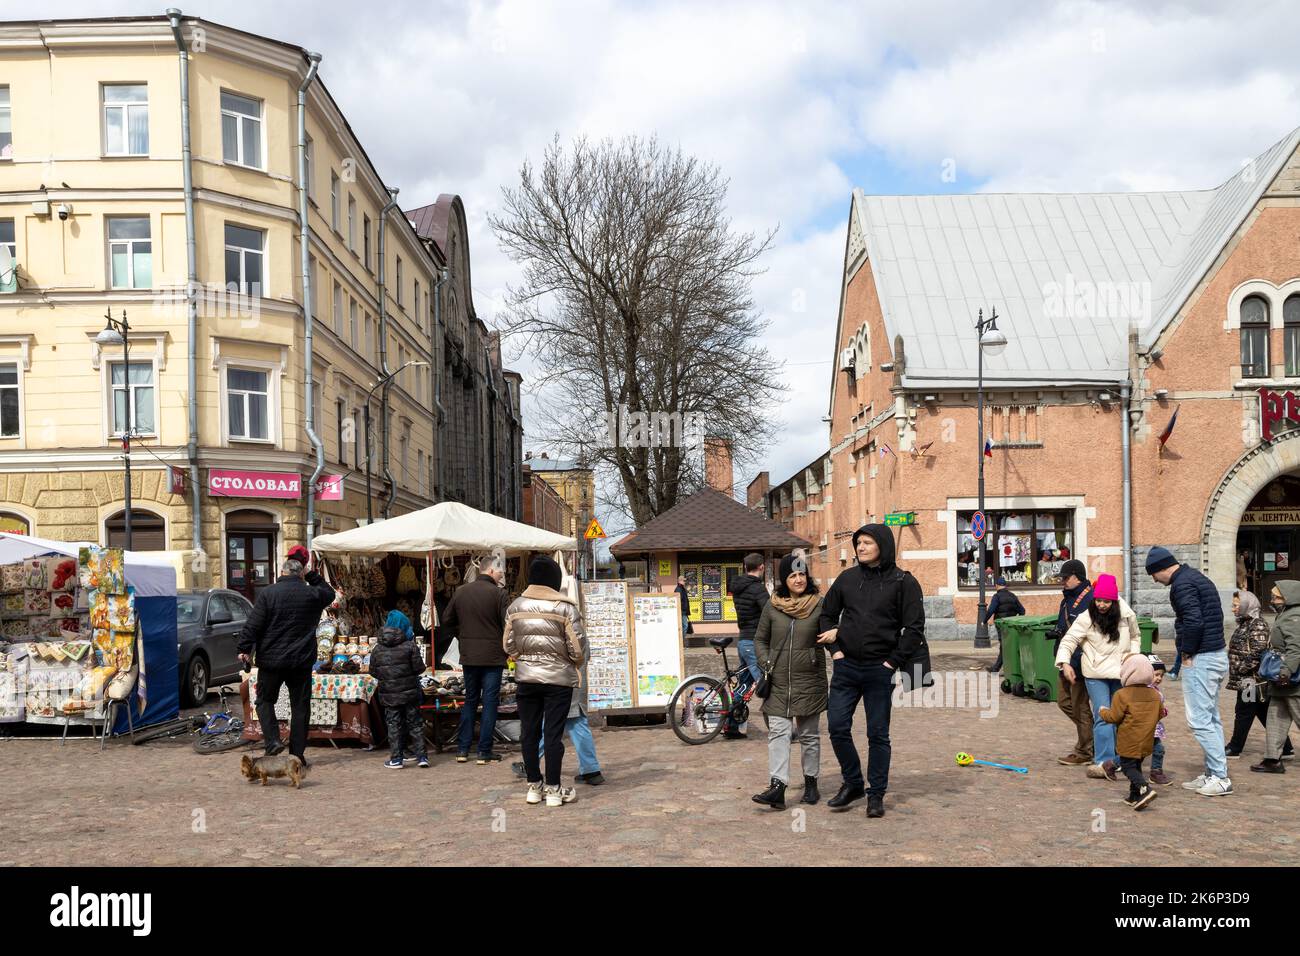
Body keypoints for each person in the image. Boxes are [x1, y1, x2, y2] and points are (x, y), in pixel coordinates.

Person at [818, 524, 926, 819]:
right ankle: (852, 782)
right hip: (846, 667)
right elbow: (826, 615)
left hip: (880, 670)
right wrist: (836, 652)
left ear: (883, 545)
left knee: (878, 735)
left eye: (867, 542)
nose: (860, 547)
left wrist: (892, 662)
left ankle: (875, 794)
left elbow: (914, 627)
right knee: (837, 727)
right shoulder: (847, 579)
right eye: (858, 543)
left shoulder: (903, 582)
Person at [1145, 546, 1232, 796]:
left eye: (1153, 574)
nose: (1153, 579)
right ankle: (1213, 773)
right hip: (1213, 654)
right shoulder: (1195, 578)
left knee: (1200, 720)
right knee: (1210, 717)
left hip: (1202, 657)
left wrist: (1186, 654)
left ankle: (1219, 777)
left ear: (1162, 568)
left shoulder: (1182, 584)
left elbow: (1193, 621)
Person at [237, 551, 336, 768]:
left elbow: (254, 624)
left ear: (281, 571)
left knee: (264, 701)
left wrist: (244, 648)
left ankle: (272, 741)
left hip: (271, 661)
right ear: (301, 573)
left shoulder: (268, 593)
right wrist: (311, 575)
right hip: (300, 662)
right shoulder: (311, 594)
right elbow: (330, 594)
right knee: (300, 707)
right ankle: (297, 755)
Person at [504, 555, 588, 807]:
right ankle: (553, 788)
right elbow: (578, 648)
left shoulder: (515, 606)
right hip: (558, 680)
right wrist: (569, 662)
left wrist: (525, 659)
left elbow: (508, 644)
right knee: (553, 735)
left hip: (527, 679)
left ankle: (533, 786)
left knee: (529, 733)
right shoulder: (566, 608)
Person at [751, 554, 828, 810]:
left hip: (809, 680)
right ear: (785, 579)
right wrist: (766, 662)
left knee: (808, 736)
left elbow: (833, 633)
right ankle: (778, 787)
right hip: (778, 682)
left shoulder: (819, 605)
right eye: (793, 575)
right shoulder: (772, 606)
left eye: (802, 574)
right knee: (778, 734)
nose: (798, 579)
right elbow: (760, 640)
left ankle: (811, 782)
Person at [1054, 573, 1140, 781]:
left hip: (1121, 672)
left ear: (1114, 600)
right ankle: (1104, 761)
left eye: (1106, 601)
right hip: (1095, 673)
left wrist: (1133, 655)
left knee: (1121, 716)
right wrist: (1065, 663)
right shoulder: (1086, 617)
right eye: (1098, 600)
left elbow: (1136, 636)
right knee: (1103, 715)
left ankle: (1121, 759)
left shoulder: (1127, 615)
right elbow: (1069, 640)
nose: (1101, 605)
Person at [443, 561, 511, 764]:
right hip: (493, 656)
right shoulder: (499, 594)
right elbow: (507, 624)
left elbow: (447, 619)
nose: (502, 575)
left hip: (470, 655)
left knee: (471, 700)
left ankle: (462, 749)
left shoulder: (462, 591)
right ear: (490, 570)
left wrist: (463, 634)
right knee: (490, 702)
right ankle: (484, 751)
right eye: (500, 571)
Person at [1226, 590, 1292, 759]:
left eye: (1236, 605)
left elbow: (1258, 651)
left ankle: (1235, 747)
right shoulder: (1245, 623)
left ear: (1247, 605)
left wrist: (1241, 668)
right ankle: (1286, 748)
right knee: (1262, 711)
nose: (1233, 608)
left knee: (1243, 711)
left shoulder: (1257, 624)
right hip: (1249, 679)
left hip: (1251, 680)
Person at [1099, 653, 1162, 810]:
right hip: (1146, 739)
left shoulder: (1122, 694)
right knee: (1137, 765)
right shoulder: (1155, 694)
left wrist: (1102, 711)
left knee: (1128, 767)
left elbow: (1114, 717)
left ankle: (1144, 788)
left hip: (1129, 739)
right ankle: (1134, 795)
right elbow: (1160, 713)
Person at [1252, 581, 1300, 773]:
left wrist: (1285, 672)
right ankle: (1272, 759)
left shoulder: (1294, 616)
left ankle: (1273, 759)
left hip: (1291, 680)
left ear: (1288, 597)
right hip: (1281, 680)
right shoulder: (1286, 614)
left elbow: (1295, 649)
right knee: (1275, 718)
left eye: (1276, 596)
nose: (1272, 600)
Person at [370, 614, 429, 769]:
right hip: (410, 693)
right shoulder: (410, 646)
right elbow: (420, 668)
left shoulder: (377, 648)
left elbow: (373, 671)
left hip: (389, 694)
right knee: (415, 723)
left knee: (393, 724)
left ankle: (396, 759)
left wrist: (388, 677)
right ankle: (422, 756)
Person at [1052, 559, 1095, 767]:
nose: (1063, 582)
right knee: (1063, 702)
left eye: (1066, 578)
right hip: (1066, 659)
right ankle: (1093, 735)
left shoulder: (1090, 598)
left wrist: (1074, 662)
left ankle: (1085, 749)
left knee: (1080, 707)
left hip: (1079, 662)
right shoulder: (1069, 597)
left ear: (1078, 576)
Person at [724, 553, 770, 739]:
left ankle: (732, 726)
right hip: (755, 642)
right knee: (767, 684)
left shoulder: (738, 587)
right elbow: (769, 613)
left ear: (745, 567)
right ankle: (781, 729)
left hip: (743, 640)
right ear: (761, 567)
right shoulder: (757, 589)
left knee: (743, 685)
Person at [978, 577, 1025, 673]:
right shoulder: (1012, 596)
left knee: (1004, 646)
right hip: (1012, 625)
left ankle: (998, 669)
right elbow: (1022, 611)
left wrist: (984, 621)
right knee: (1008, 646)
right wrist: (1016, 619)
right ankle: (999, 668)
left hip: (1002, 625)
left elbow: (991, 610)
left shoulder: (997, 596)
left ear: (997, 586)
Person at [1147, 655, 1173, 786]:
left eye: (1161, 676)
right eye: (1156, 674)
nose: (1159, 678)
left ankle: (1112, 764)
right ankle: (1155, 772)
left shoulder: (1154, 690)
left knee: (1139, 752)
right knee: (1157, 749)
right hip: (1147, 727)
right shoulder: (1145, 691)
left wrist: (1162, 711)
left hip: (1153, 726)